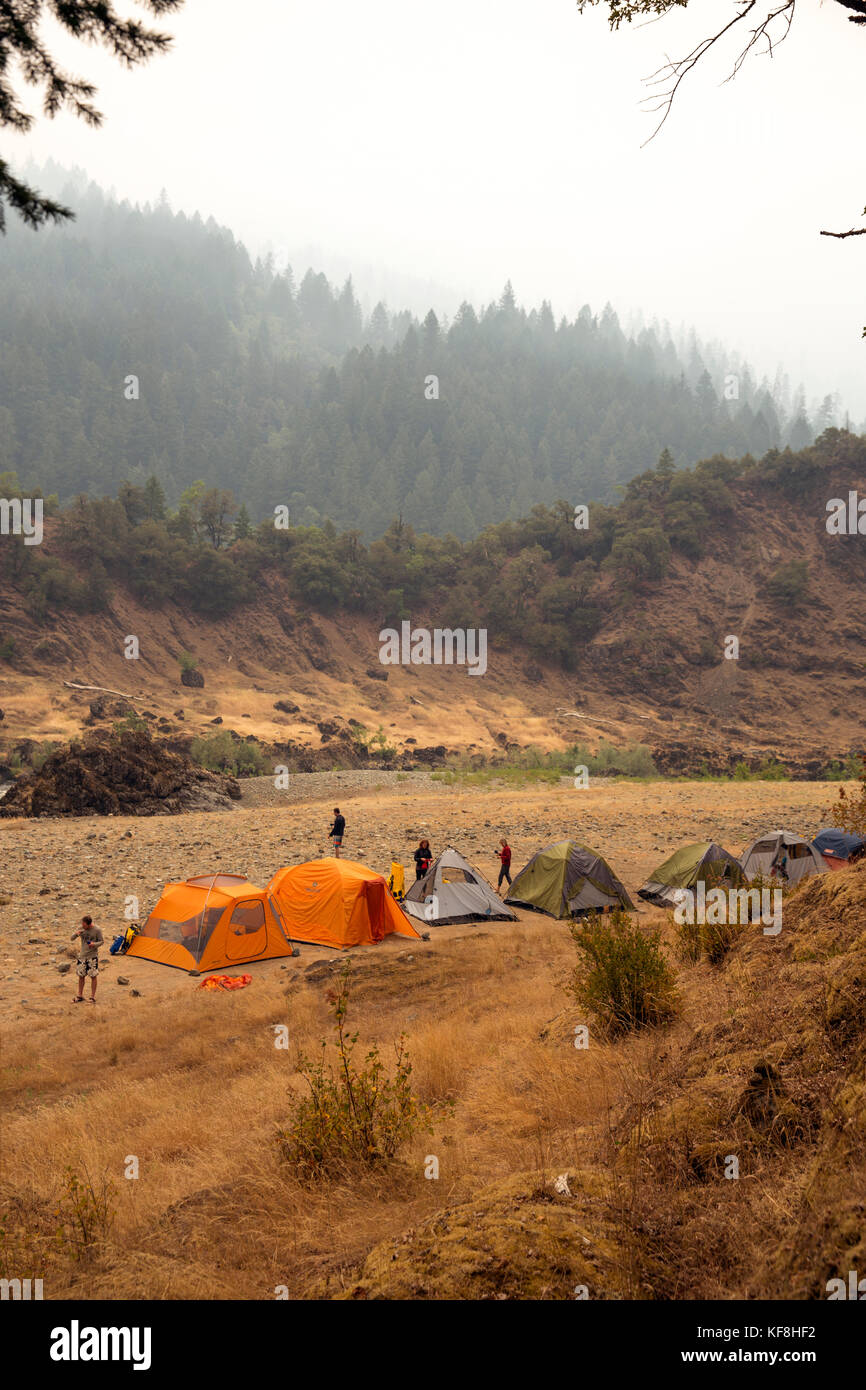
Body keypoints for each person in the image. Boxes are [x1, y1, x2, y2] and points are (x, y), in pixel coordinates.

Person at [71, 915, 103, 1004]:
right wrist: (76, 934)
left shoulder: (97, 930)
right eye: (82, 924)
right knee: (81, 976)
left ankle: (92, 997)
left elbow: (101, 941)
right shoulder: (81, 928)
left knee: (93, 976)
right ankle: (80, 996)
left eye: (84, 925)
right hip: (82, 956)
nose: (82, 926)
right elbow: (71, 938)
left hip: (92, 957)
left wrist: (94, 944)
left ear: (89, 924)